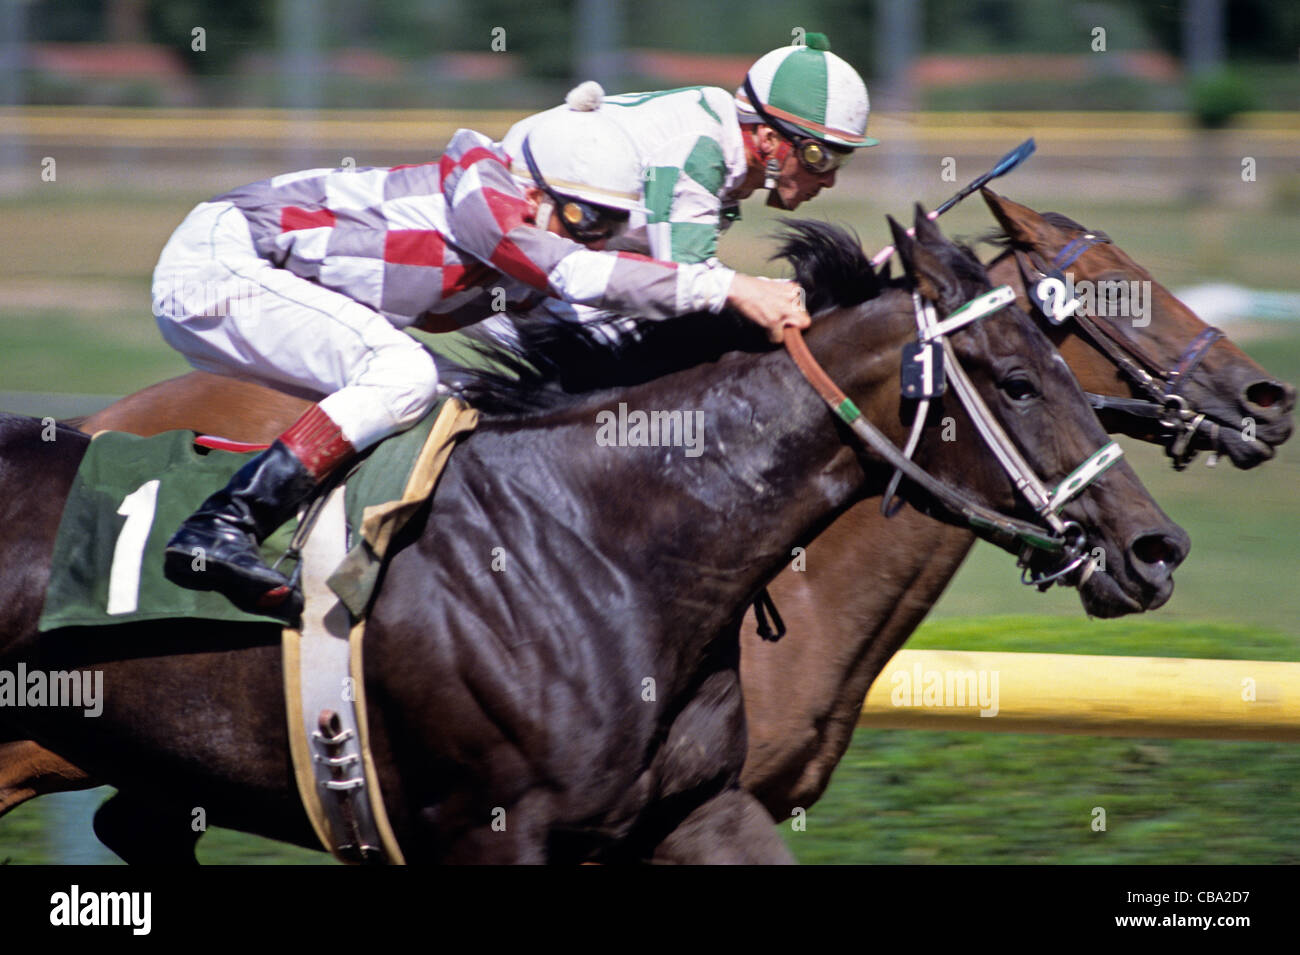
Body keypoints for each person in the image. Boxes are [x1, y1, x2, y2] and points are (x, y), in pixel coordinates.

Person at [153, 87, 809, 622]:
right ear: (534, 196)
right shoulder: (489, 211)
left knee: (456, 400)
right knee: (402, 373)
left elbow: (601, 346)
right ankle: (221, 526)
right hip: (217, 268)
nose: (598, 240)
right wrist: (732, 286)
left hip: (255, 272)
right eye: (586, 222)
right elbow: (578, 276)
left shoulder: (525, 232)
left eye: (610, 226)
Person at [501, 32, 878, 270]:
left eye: (842, 159)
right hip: (504, 229)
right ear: (768, 139)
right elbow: (685, 284)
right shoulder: (703, 150)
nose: (829, 179)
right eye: (820, 157)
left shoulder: (722, 150)